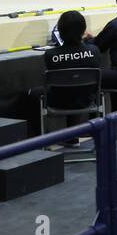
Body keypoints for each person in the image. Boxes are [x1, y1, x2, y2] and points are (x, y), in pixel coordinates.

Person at [39, 11, 102, 144]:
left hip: (58, 102)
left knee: (29, 95)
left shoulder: (50, 54)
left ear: (60, 31)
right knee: (77, 85)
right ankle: (72, 136)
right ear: (83, 30)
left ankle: (38, 143)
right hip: (87, 100)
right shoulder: (94, 51)